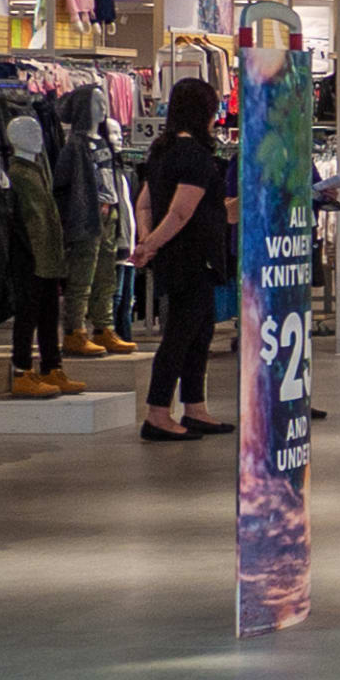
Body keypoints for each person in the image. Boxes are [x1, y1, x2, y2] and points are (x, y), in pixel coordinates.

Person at [129, 77, 234, 443]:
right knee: (180, 336)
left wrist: (147, 239)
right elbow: (180, 213)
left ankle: (194, 406)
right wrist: (150, 245)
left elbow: (145, 203)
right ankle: (158, 413)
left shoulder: (161, 150)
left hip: (176, 255)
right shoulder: (195, 156)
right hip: (192, 257)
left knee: (198, 333)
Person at [3, 110, 73, 397]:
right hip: (30, 256)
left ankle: (51, 366)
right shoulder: (16, 173)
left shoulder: (37, 169)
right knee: (28, 315)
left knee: (48, 314)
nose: (38, 138)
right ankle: (22, 370)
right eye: (29, 133)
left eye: (37, 132)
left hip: (48, 255)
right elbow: (20, 219)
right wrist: (28, 251)